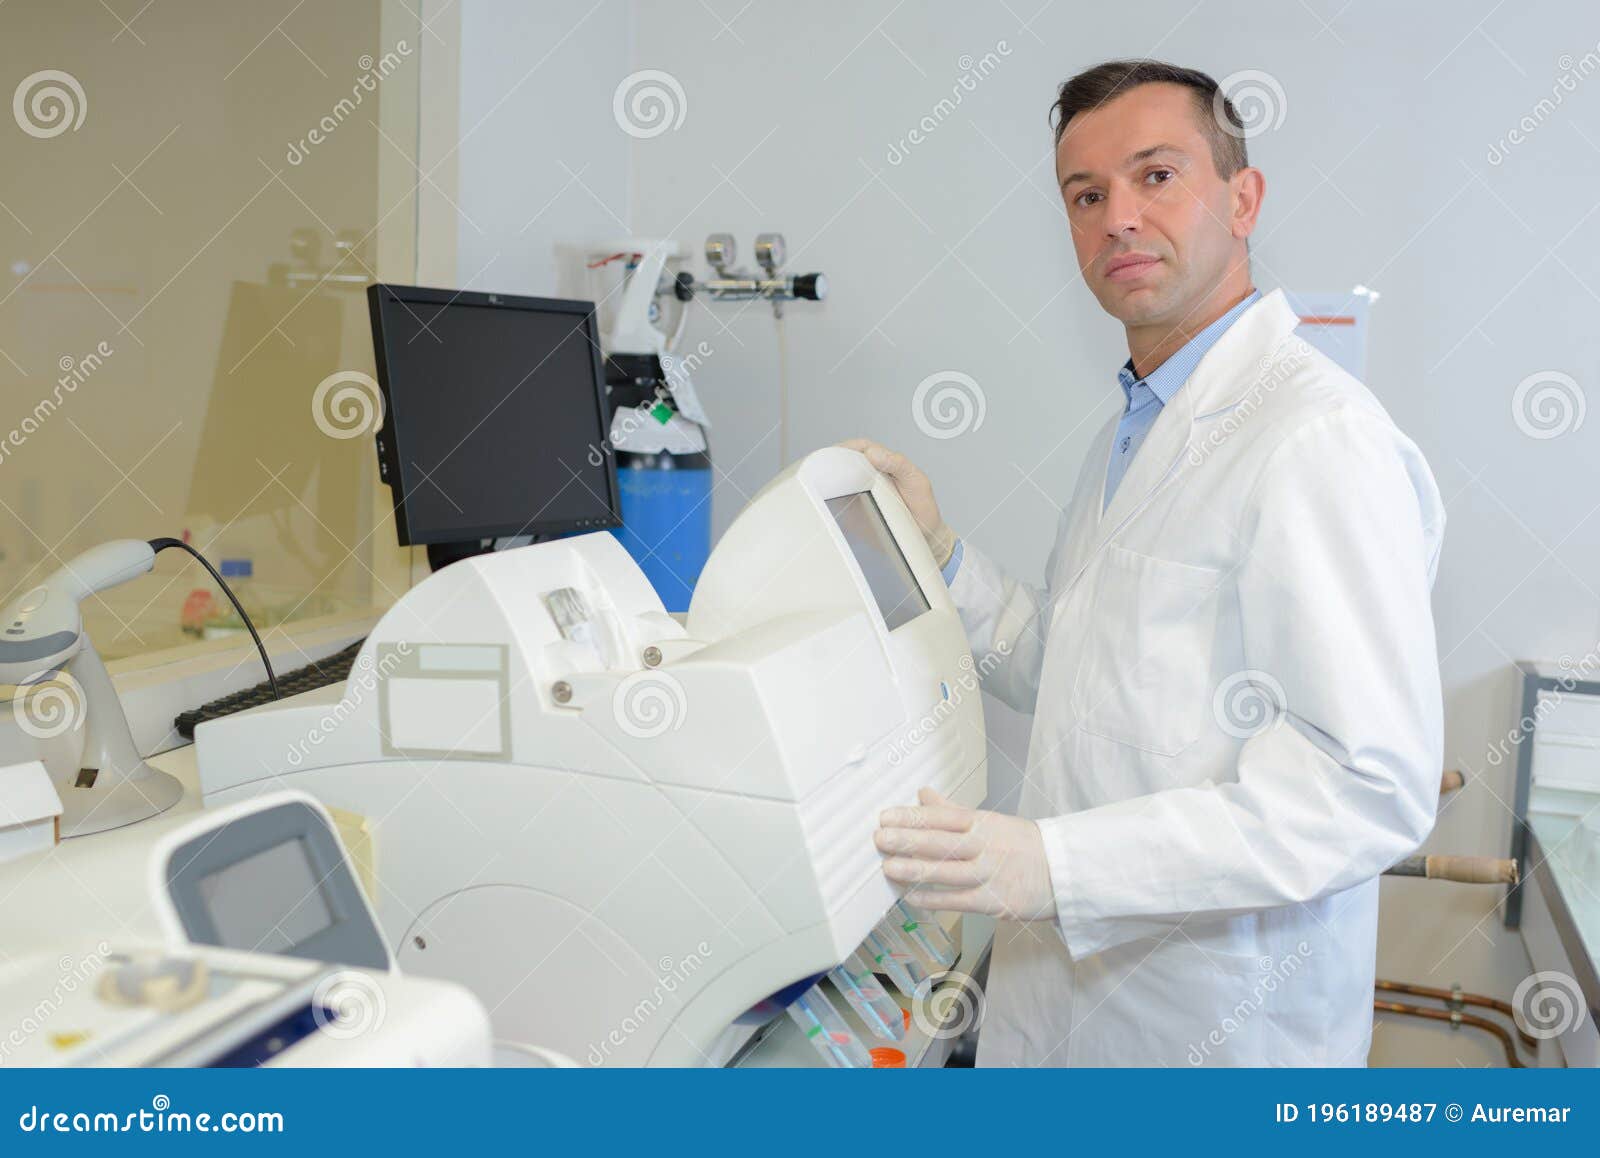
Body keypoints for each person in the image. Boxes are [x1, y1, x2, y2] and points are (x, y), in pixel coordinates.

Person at [847, 59, 1445, 1066]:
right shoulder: (1136, 428)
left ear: (1242, 198)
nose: (1117, 217)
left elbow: (1365, 785)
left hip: (1208, 1032)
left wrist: (1053, 865)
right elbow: (1075, 669)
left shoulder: (1311, 436)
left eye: (1155, 176)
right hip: (1074, 1006)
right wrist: (940, 554)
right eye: (1085, 195)